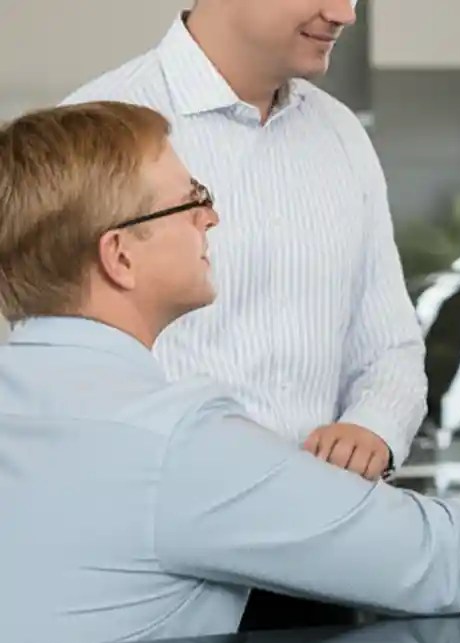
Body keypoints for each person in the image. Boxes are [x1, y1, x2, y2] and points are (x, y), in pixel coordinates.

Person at [0, 101, 460, 643]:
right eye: (190, 199)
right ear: (120, 256)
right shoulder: (172, 443)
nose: (211, 219)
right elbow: (438, 560)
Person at [63, 1, 420, 482]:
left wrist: (373, 426)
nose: (344, 13)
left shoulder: (341, 134)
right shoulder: (91, 132)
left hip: (322, 510)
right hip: (160, 512)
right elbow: (68, 374)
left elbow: (390, 344)